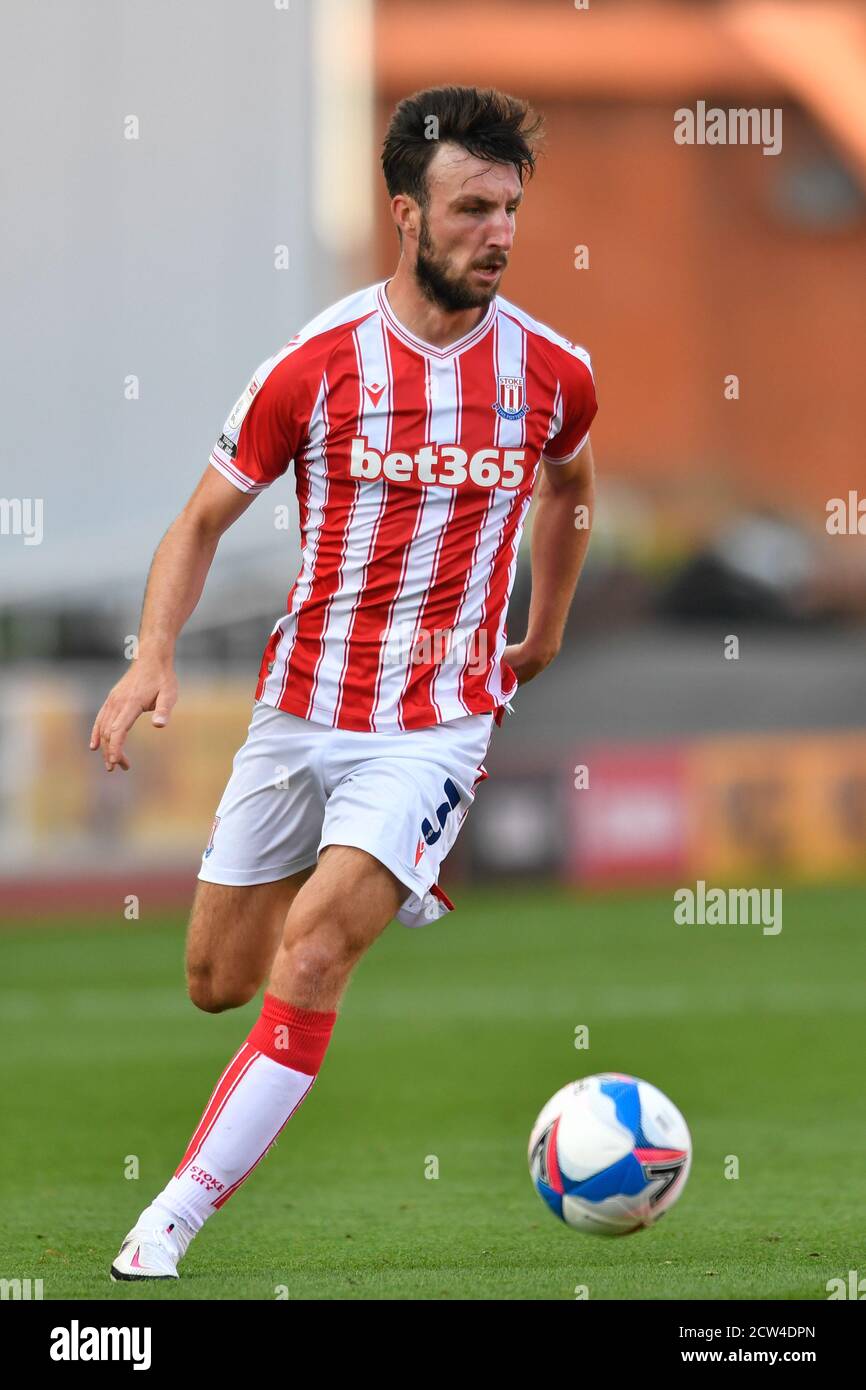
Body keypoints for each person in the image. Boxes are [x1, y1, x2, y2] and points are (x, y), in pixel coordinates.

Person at [91, 84, 598, 1280]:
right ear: (405, 217)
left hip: (434, 725)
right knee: (220, 981)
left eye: (511, 208)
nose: (500, 232)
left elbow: (570, 492)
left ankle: (166, 1223)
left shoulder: (553, 373)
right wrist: (153, 651)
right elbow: (201, 520)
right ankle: (357, 885)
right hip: (301, 708)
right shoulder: (314, 368)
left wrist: (545, 629)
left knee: (313, 955)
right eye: (472, 207)